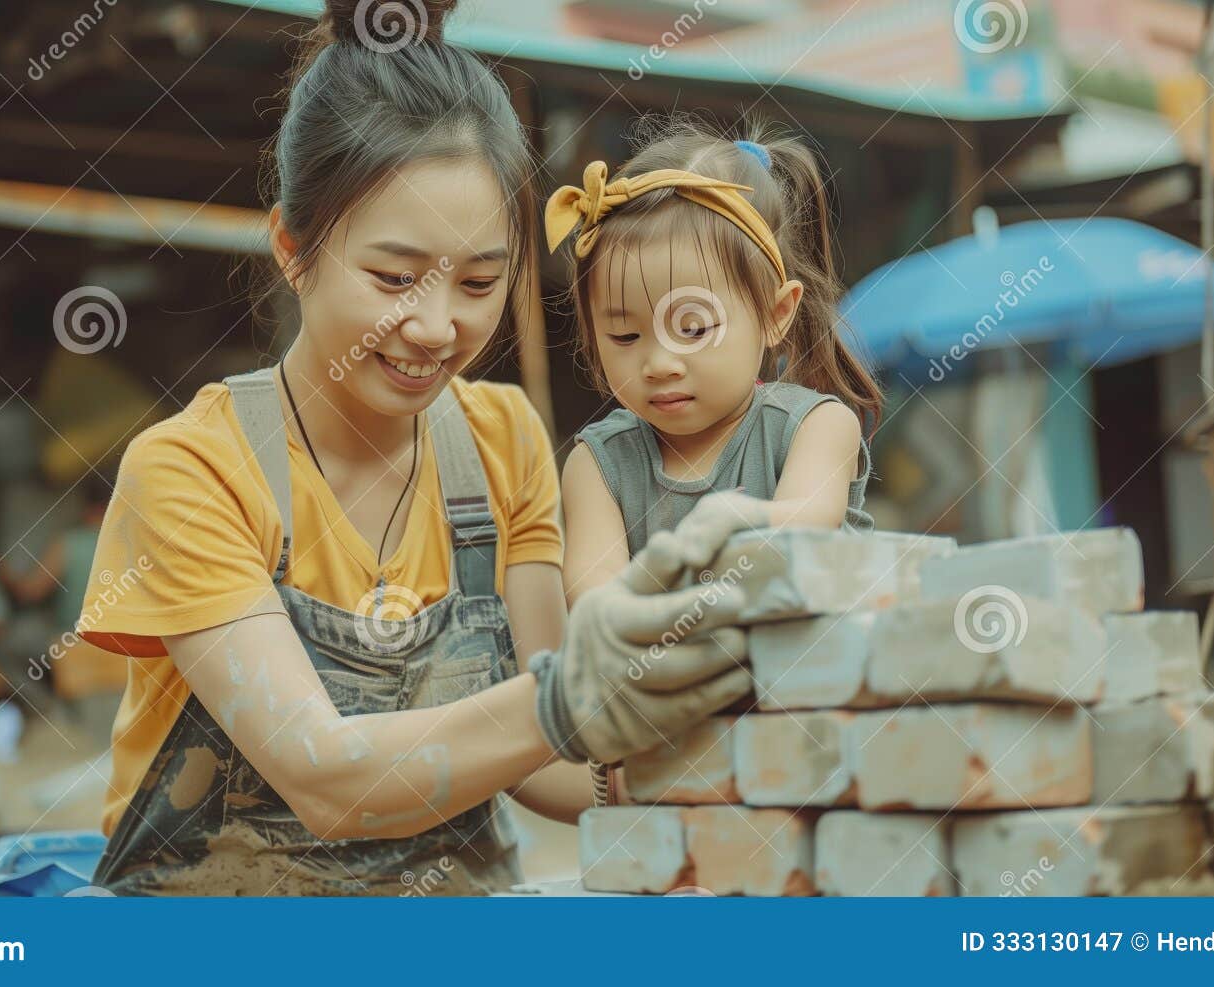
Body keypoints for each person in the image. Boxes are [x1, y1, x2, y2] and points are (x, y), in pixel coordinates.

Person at [76, 1, 755, 896]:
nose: (436, 326)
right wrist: (573, 691)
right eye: (395, 278)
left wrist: (715, 761)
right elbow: (325, 778)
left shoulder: (501, 441)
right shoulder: (193, 471)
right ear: (292, 248)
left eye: (478, 281)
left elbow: (547, 759)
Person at [552, 120, 884, 611]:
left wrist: (730, 519)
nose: (659, 364)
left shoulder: (816, 426)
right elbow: (596, 596)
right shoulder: (599, 464)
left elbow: (807, 525)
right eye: (624, 335)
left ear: (775, 314)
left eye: (693, 329)